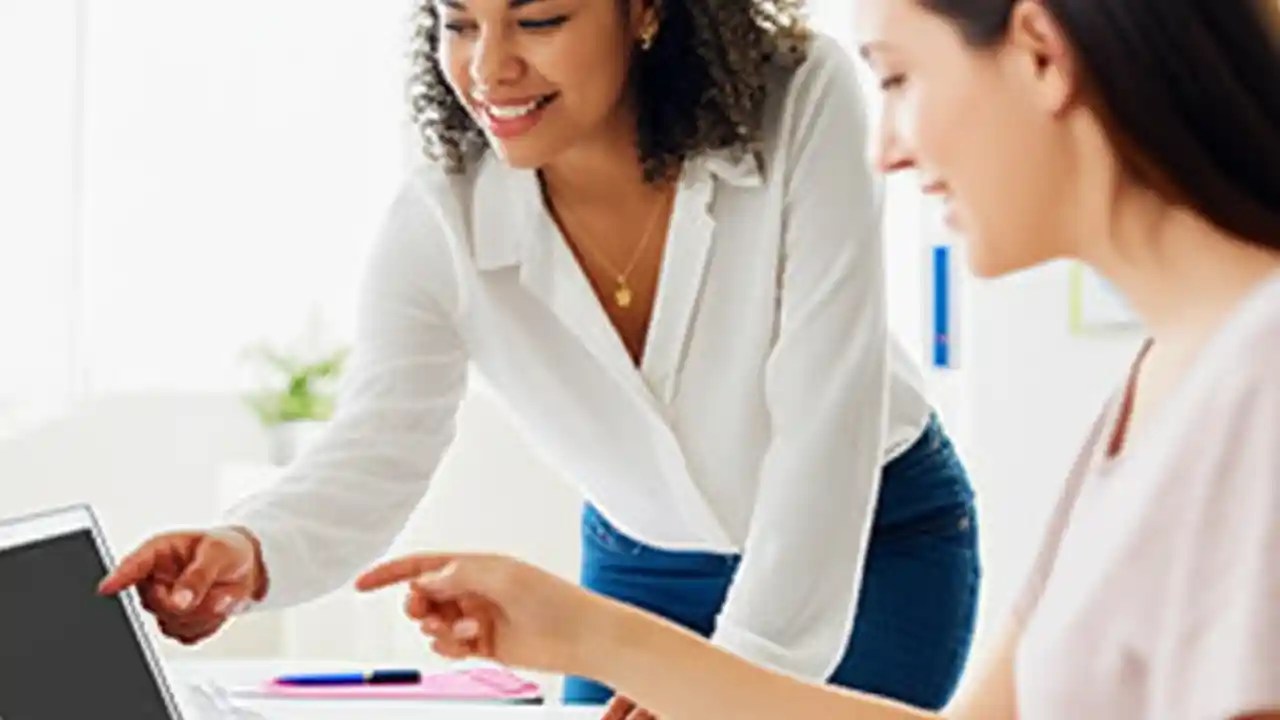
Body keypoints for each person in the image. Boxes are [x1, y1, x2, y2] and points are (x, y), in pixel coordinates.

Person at [352, 0, 1280, 717]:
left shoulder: (1257, 387)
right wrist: (590, 634)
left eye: (899, 80)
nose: (885, 152)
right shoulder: (1158, 390)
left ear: (1040, 54)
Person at [98, 0, 982, 715]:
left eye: (538, 21)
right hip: (642, 564)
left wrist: (732, 676)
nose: (488, 69)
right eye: (458, 22)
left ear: (642, 11)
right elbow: (379, 443)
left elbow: (823, 418)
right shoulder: (443, 209)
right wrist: (245, 548)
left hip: (868, 543)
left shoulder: (801, 96)